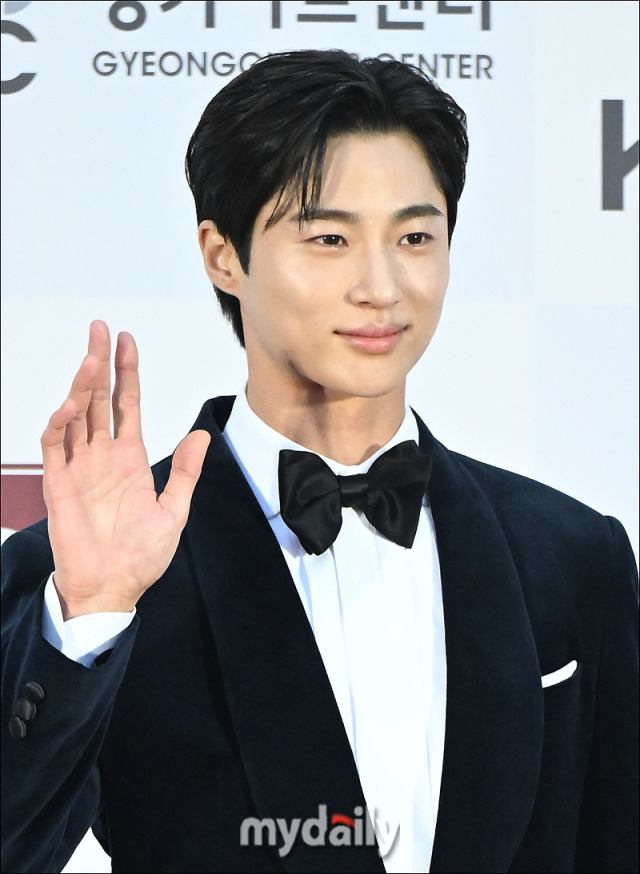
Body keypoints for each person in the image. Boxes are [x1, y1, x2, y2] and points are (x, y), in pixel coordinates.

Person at [1, 49, 638, 874]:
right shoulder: (100, 571)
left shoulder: (572, 557)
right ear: (223, 255)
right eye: (329, 238)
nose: (381, 286)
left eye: (415, 237)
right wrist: (90, 617)